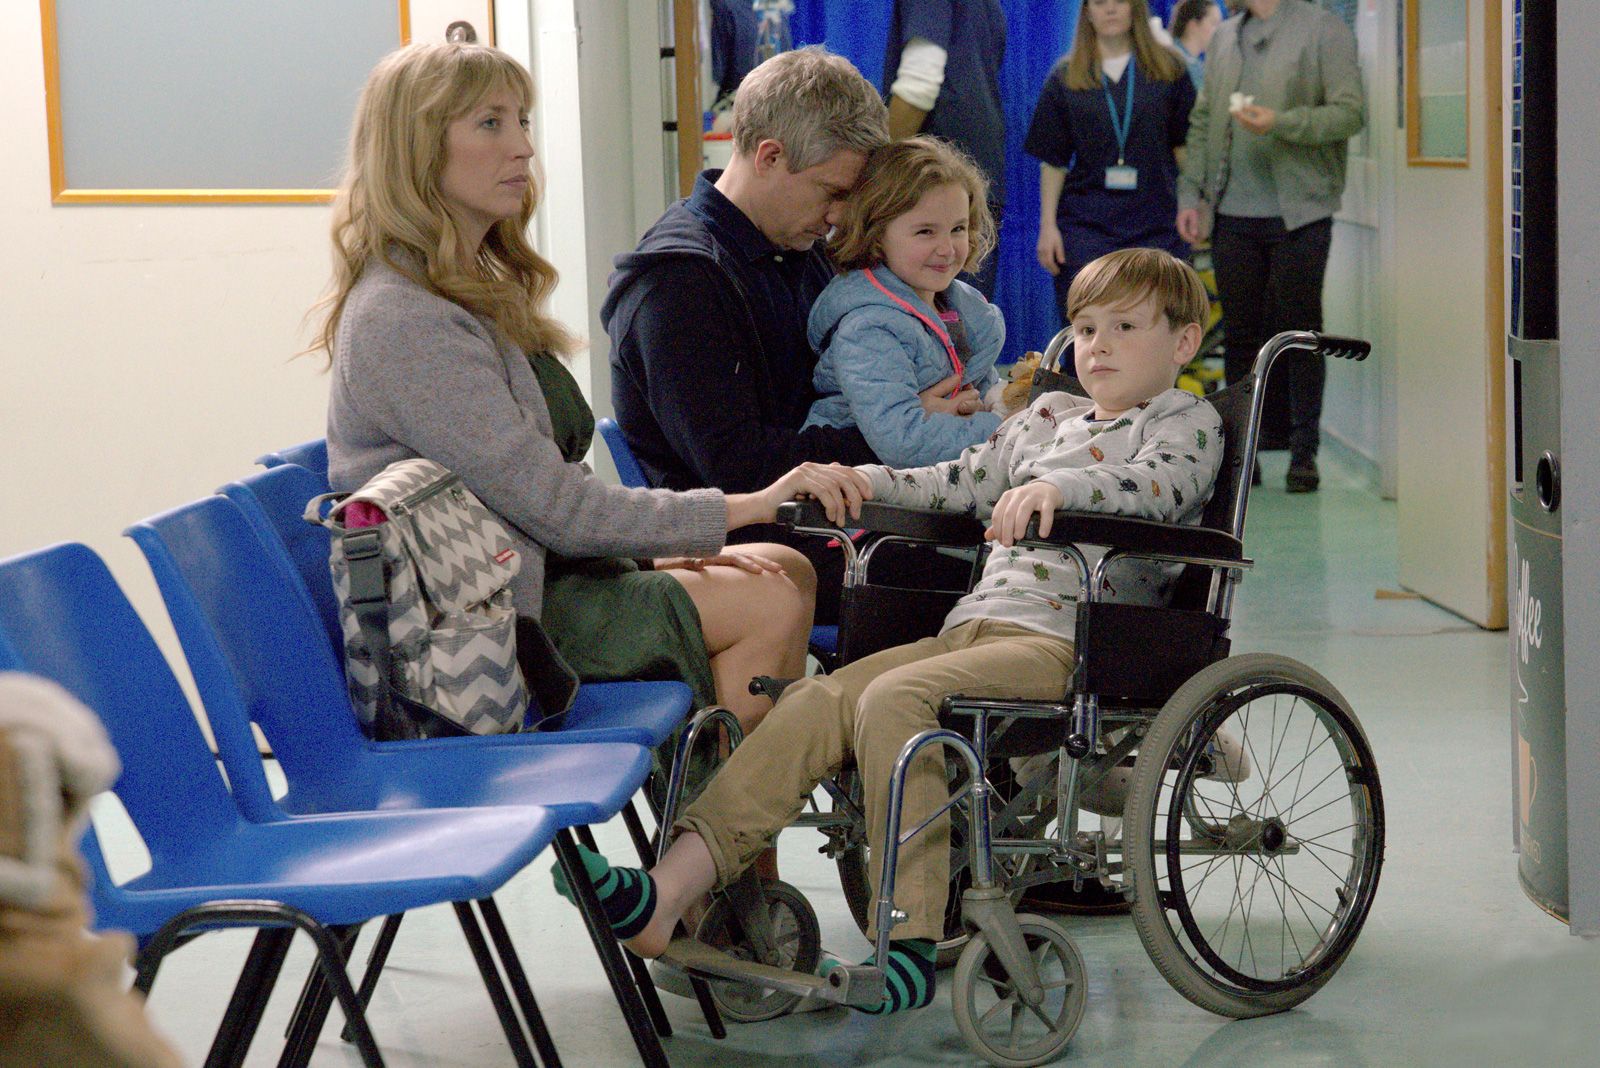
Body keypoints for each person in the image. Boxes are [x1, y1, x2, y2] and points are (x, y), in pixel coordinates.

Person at [554, 248, 1224, 1015]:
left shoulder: (1184, 422)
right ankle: (666, 893)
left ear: (1183, 343)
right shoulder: (1045, 418)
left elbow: (1159, 486)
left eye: (1124, 327)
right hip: (972, 629)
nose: (1097, 346)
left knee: (896, 701)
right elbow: (958, 481)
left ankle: (907, 939)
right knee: (813, 700)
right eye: (1085, 327)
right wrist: (865, 482)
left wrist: (1056, 486)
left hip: (1072, 641)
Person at [317, 43, 871, 736]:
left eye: (522, 121)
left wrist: (655, 545)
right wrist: (746, 507)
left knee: (786, 568)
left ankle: (720, 827)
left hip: (532, 577)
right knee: (772, 602)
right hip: (484, 624)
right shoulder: (405, 319)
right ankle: (715, 835)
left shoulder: (462, 292)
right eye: (490, 124)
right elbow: (554, 506)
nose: (522, 147)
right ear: (416, 147)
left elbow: (536, 497)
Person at [605, 47, 965, 623]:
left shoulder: (797, 253)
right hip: (751, 548)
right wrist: (897, 428)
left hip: (834, 511)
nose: (840, 217)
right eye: (833, 192)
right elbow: (739, 467)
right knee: (993, 580)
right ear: (770, 156)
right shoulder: (678, 282)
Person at [1175, 0, 1363, 493]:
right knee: (1240, 337)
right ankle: (1244, 456)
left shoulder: (1322, 28)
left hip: (1299, 212)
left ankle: (1304, 455)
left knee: (1302, 334)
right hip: (1231, 214)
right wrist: (1191, 194)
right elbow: (1201, 122)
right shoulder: (1224, 36)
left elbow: (1350, 113)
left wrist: (1281, 122)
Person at [804, 137, 1004, 469]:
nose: (947, 248)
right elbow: (903, 441)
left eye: (957, 228)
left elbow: (983, 392)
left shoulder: (962, 314)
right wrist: (1011, 431)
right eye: (926, 232)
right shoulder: (867, 327)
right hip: (864, 503)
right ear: (876, 235)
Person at [1026, 0, 1197, 327]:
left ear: (1136, 8)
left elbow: (1185, 149)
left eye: (1119, 1)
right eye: (1100, 2)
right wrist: (1048, 226)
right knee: (1088, 332)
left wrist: (1193, 204)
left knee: (1155, 330)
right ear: (1087, 11)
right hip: (1086, 225)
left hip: (1157, 222)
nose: (1110, 9)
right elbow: (1052, 161)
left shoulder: (1169, 69)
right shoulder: (1066, 77)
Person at [881, 0, 1008, 298]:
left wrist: (877, 170)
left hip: (929, 188)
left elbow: (920, 85)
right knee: (965, 321)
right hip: (974, 181)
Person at [1169, 0, 1223, 89]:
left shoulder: (1195, 64)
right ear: (1193, 25)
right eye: (1214, 23)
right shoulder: (1179, 64)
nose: (1220, 31)